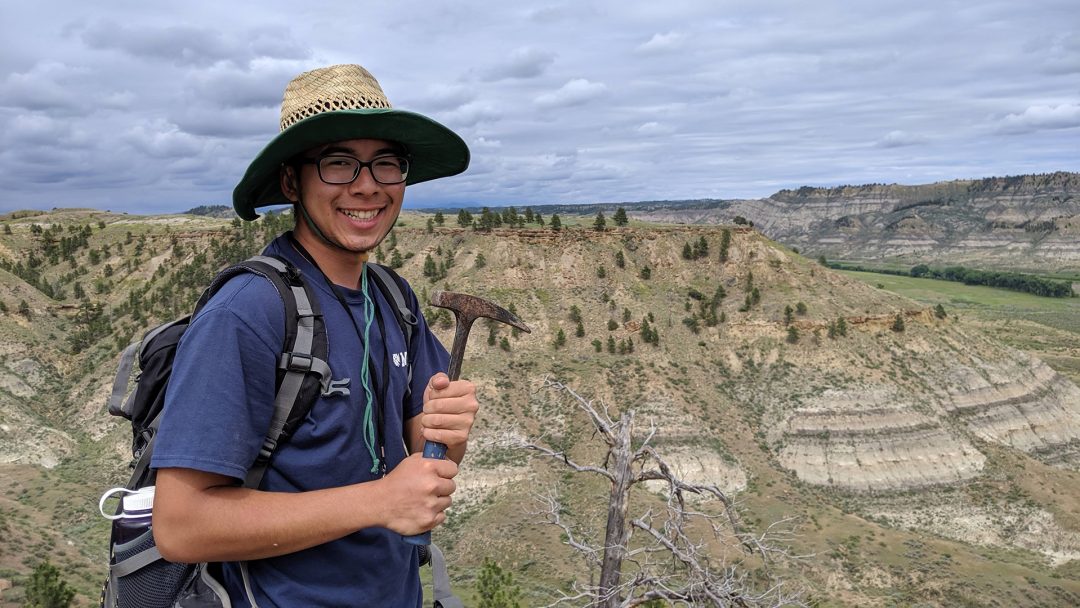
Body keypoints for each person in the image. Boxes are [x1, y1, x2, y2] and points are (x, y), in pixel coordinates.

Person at [149, 64, 476, 607]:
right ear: (290, 182)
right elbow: (182, 527)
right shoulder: (248, 311)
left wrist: (452, 431)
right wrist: (378, 501)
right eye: (338, 162)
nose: (367, 185)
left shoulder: (394, 297)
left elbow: (427, 459)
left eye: (386, 163)